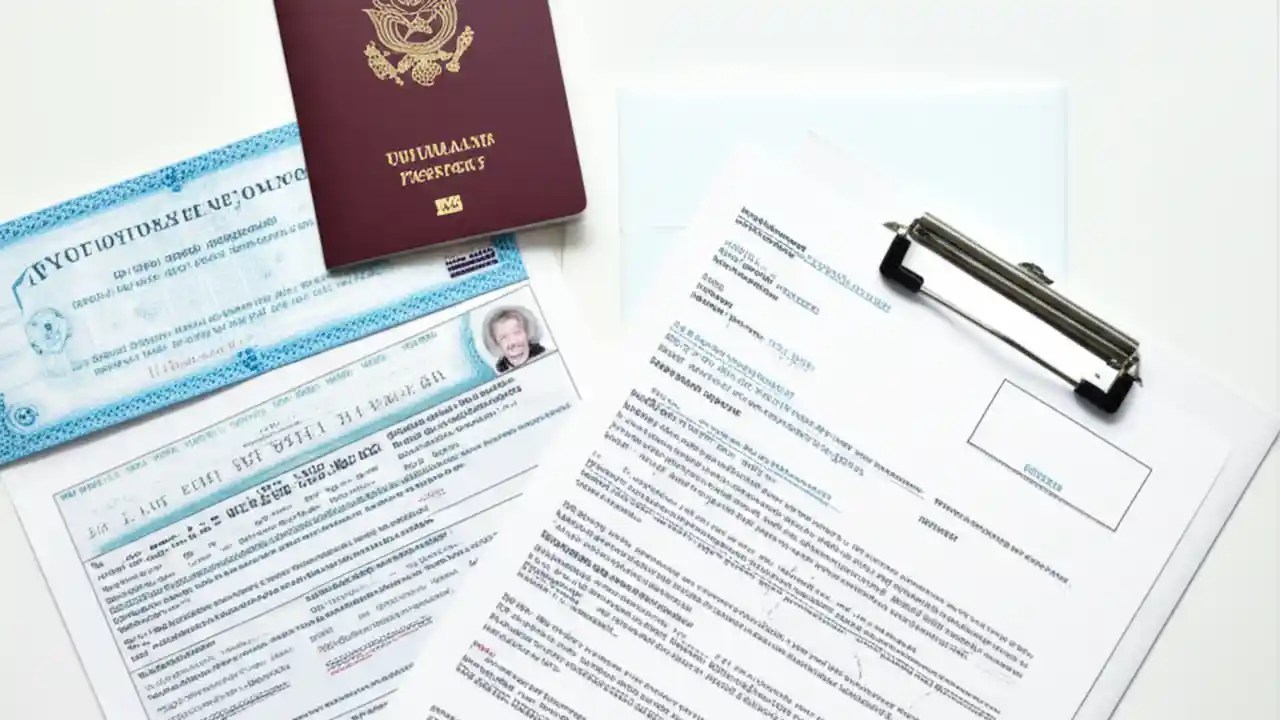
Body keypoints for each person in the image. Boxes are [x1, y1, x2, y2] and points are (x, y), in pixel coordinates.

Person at [483, 306, 545, 373]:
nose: (512, 342)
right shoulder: (498, 373)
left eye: (517, 332)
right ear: (496, 342)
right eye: (503, 337)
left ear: (527, 332)